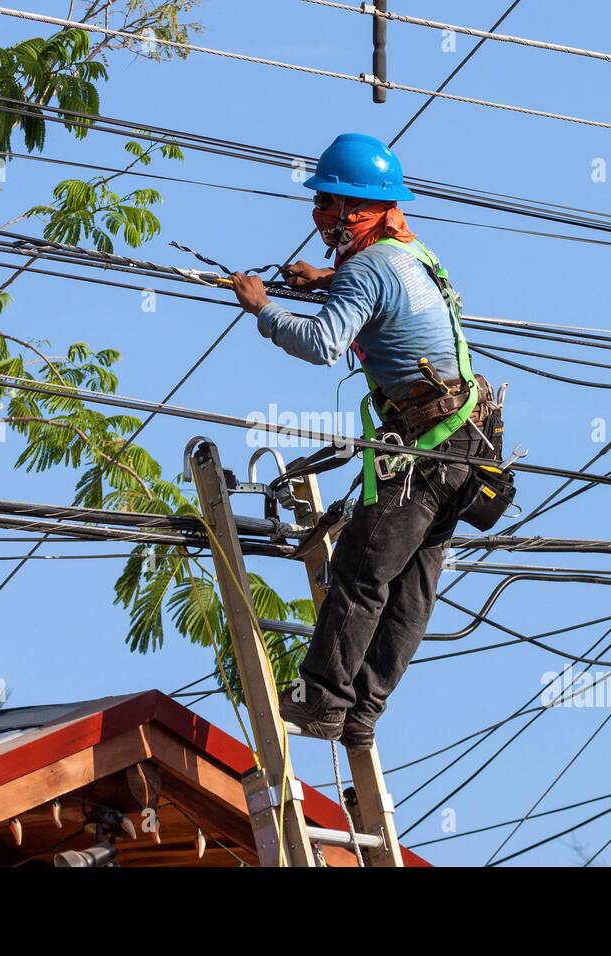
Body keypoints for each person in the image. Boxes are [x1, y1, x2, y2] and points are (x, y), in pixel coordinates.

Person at [229, 133, 494, 751]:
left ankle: (323, 701)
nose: (321, 217)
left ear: (358, 210)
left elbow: (323, 344)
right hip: (469, 444)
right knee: (413, 584)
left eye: (327, 203)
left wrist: (263, 309)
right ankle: (363, 711)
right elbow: (388, 302)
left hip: (426, 446)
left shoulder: (369, 269)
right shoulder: (411, 255)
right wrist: (326, 281)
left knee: (361, 571)